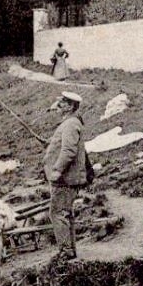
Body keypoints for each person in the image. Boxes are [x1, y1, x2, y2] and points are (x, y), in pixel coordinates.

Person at [42, 91, 92, 260]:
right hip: (68, 177)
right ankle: (69, 250)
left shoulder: (70, 124)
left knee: (58, 213)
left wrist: (56, 170)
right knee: (65, 213)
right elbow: (64, 146)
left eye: (63, 102)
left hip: (65, 178)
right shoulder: (70, 123)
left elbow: (69, 151)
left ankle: (66, 252)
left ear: (71, 106)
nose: (59, 104)